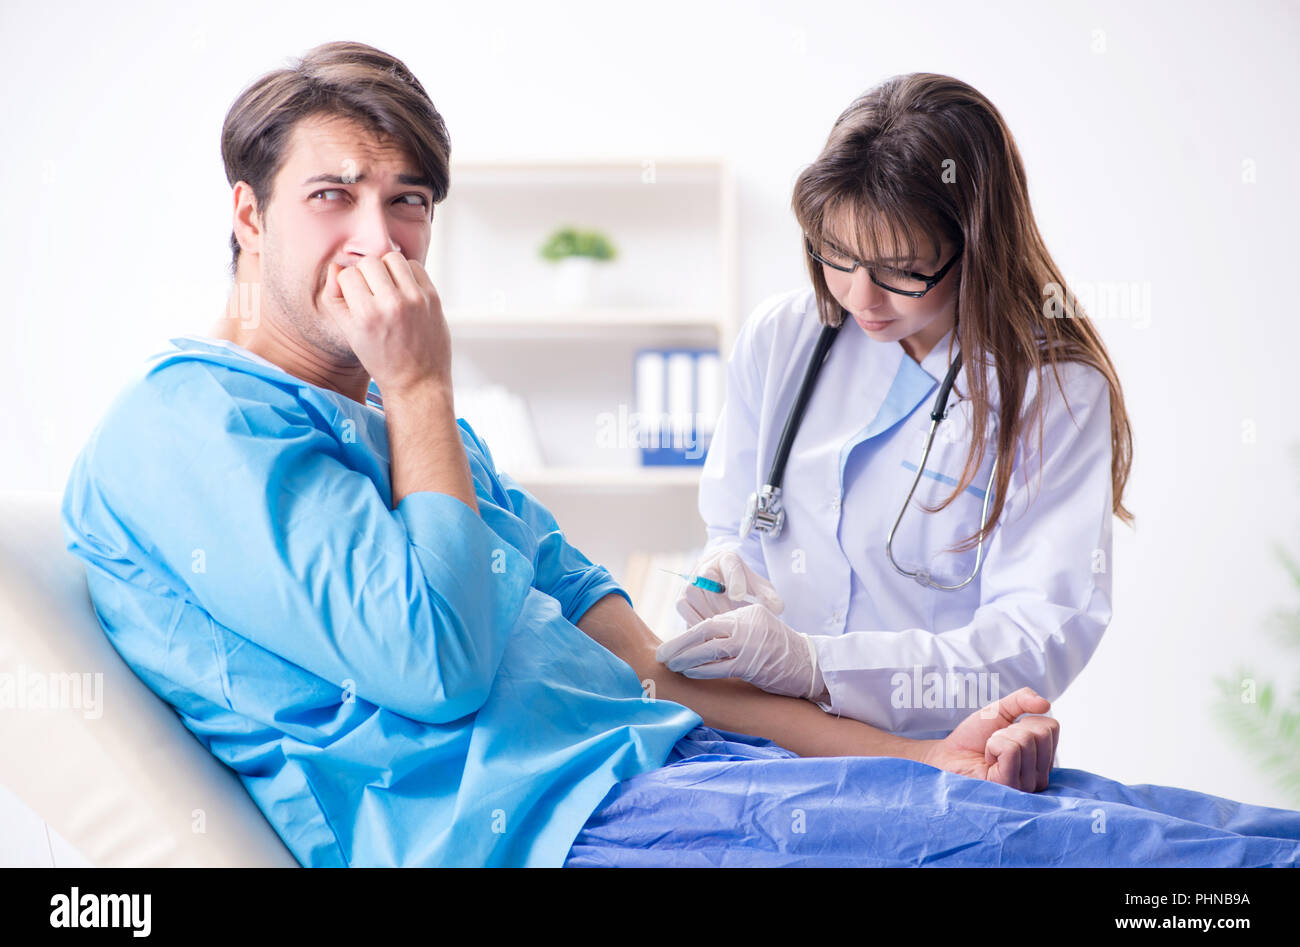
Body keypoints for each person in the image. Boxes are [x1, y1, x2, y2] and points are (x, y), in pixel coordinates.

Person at [61, 44, 1300, 869]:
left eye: (409, 201)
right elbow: (432, 668)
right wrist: (421, 376)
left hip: (684, 765)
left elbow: (651, 670)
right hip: (564, 829)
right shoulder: (186, 430)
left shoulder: (421, 439)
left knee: (1155, 829)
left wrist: (931, 756)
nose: (379, 235)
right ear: (246, 210)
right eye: (332, 194)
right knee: (1141, 872)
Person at [659, 73, 1133, 742]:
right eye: (838, 256)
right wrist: (726, 577)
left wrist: (821, 666)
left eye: (902, 268)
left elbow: (1038, 632)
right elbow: (737, 526)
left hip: (935, 752)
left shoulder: (1054, 391)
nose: (861, 297)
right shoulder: (784, 339)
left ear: (977, 243)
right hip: (764, 738)